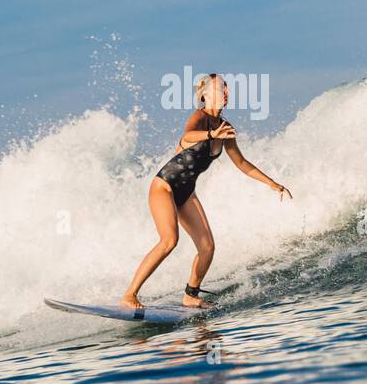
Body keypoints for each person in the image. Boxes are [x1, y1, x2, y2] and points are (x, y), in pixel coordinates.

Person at [120, 73, 291, 310]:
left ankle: (191, 294)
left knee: (207, 247)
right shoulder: (199, 117)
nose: (227, 93)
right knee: (170, 240)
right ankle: (130, 294)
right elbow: (187, 136)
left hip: (187, 193)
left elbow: (241, 163)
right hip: (164, 187)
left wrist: (271, 182)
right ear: (205, 94)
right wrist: (211, 134)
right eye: (221, 88)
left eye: (228, 89)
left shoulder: (226, 128)